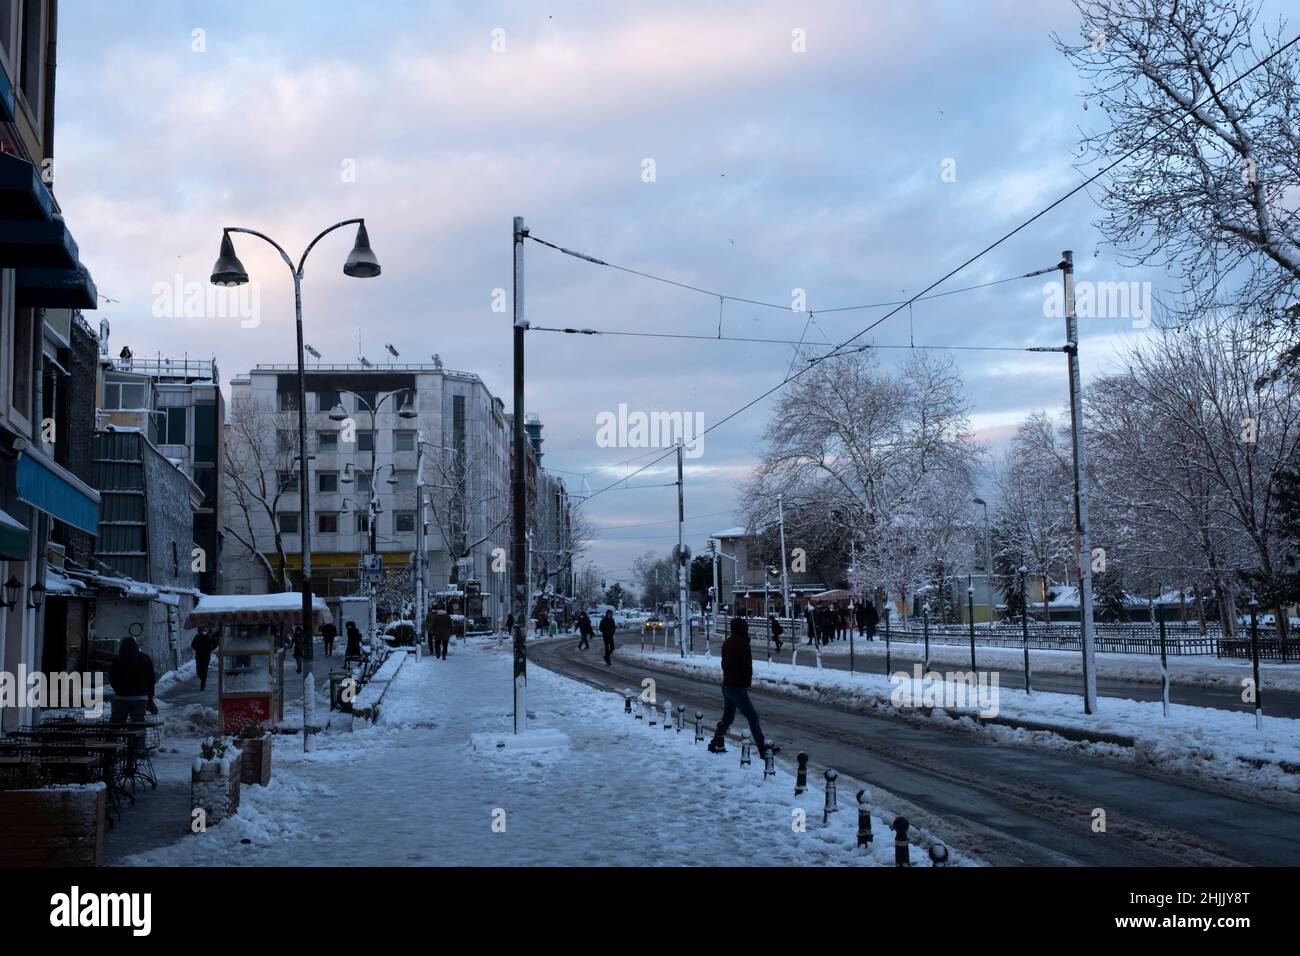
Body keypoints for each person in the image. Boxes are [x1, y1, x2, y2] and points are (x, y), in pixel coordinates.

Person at [708, 618, 768, 757]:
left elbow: (724, 664)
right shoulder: (742, 644)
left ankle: (714, 743)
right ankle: (763, 749)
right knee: (752, 717)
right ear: (743, 629)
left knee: (728, 718)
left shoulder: (727, 642)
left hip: (727, 685)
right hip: (737, 687)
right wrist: (746, 682)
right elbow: (746, 667)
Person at [109, 636, 156, 724]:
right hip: (141, 698)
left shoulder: (117, 659)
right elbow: (151, 678)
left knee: (116, 723)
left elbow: (112, 678)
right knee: (138, 724)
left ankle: (113, 737)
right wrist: (150, 696)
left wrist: (118, 690)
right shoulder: (145, 658)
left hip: (122, 697)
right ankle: (138, 737)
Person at [190, 626, 216, 691]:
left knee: (204, 670)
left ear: (207, 631)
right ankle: (202, 678)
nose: (204, 631)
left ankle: (203, 684)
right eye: (203, 630)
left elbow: (215, 644)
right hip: (199, 655)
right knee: (199, 670)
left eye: (205, 630)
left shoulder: (209, 637)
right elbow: (192, 644)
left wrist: (211, 649)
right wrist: (196, 648)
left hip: (206, 656)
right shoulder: (197, 636)